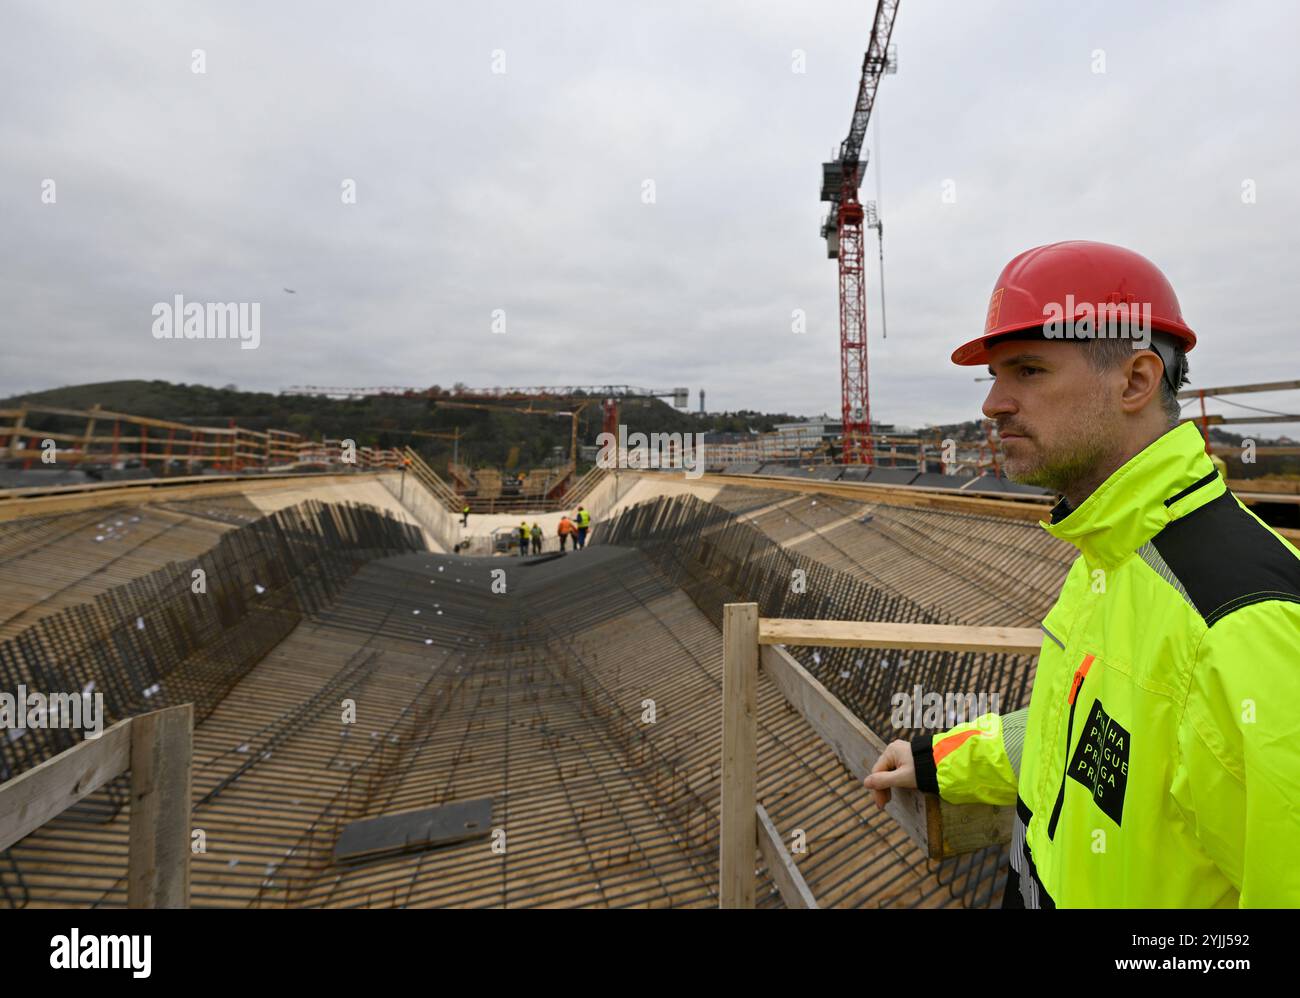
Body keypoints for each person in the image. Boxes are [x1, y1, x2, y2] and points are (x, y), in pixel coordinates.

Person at [864, 240, 1300, 908]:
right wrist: (939, 762)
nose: (994, 403)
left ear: (1134, 381)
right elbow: (1077, 737)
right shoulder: (1113, 552)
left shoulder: (1243, 626)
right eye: (994, 376)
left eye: (1029, 371)